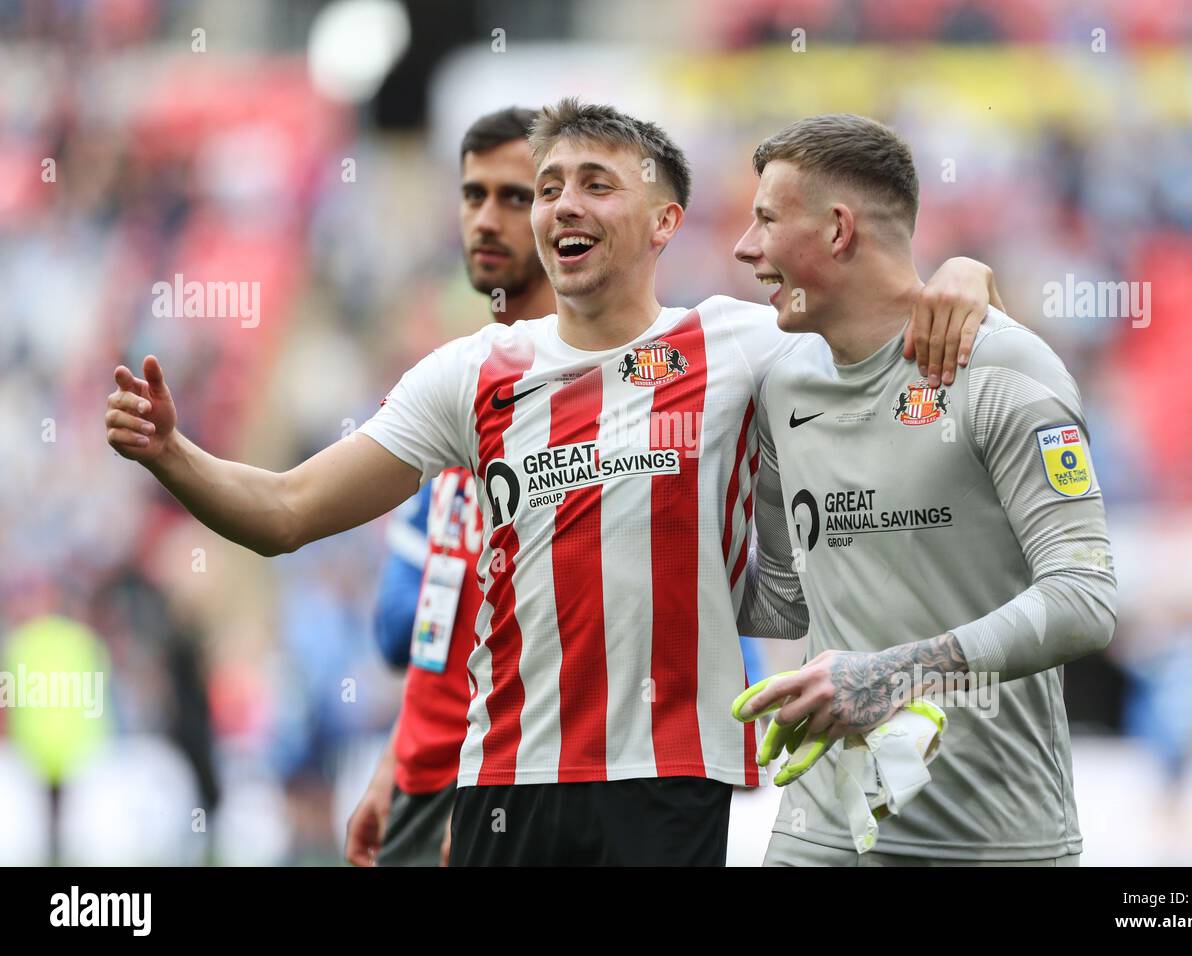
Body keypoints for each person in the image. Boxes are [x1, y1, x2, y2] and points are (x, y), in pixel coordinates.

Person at [104, 97, 996, 865]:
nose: (564, 203)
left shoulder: (737, 344)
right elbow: (287, 511)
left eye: (598, 184)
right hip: (506, 781)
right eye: (552, 185)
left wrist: (962, 273)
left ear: (664, 222)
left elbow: (897, 316)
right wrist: (174, 456)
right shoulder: (472, 372)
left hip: (670, 778)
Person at [732, 114, 1118, 866]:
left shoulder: (1005, 369)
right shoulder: (779, 383)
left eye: (767, 220)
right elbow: (778, 597)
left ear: (839, 229)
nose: (745, 247)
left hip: (993, 840)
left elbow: (1085, 598)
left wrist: (893, 675)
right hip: (816, 837)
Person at [345, 107, 553, 867]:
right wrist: (395, 758)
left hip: (502, 793)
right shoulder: (453, 384)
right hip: (420, 782)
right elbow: (442, 618)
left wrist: (490, 809)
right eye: (473, 196)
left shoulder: (591, 388)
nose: (486, 220)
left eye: (515, 197)